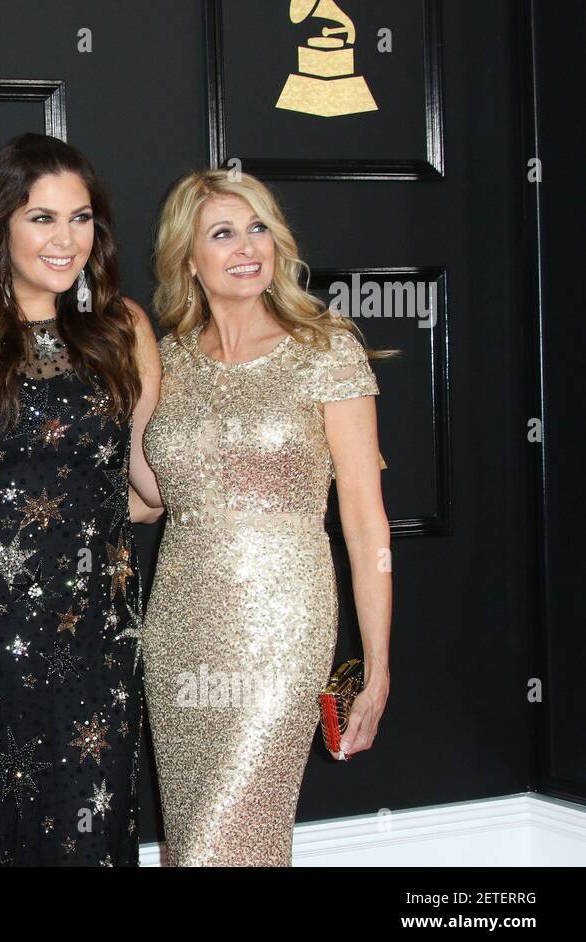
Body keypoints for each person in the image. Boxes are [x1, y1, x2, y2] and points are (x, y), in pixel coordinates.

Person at [139, 168, 391, 865]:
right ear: (188, 258)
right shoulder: (166, 363)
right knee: (193, 839)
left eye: (258, 228)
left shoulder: (325, 350)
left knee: (227, 831)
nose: (248, 246)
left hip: (282, 625)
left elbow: (366, 522)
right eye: (223, 233)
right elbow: (147, 499)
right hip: (179, 628)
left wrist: (377, 665)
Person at [0, 133, 162, 866]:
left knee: (87, 830)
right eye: (41, 218)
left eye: (81, 217)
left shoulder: (121, 328)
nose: (66, 239)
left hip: (96, 635)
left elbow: (144, 487)